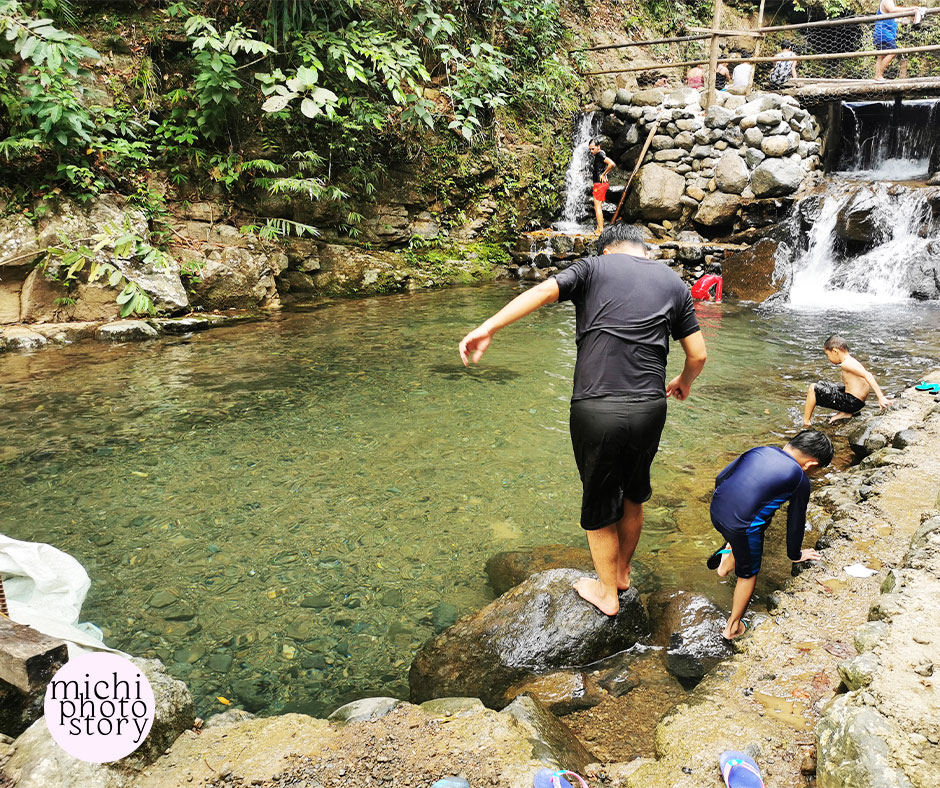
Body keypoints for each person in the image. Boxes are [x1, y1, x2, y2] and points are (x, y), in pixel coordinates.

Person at [458, 223, 707, 616]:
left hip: (597, 407)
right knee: (634, 493)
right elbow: (698, 355)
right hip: (649, 407)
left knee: (598, 500)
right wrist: (683, 382)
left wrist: (487, 327)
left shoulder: (592, 267)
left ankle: (608, 594)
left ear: (608, 251)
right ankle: (622, 574)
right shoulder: (673, 282)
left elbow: (542, 292)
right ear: (643, 250)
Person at [710, 430, 833, 639]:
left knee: (761, 516)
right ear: (811, 464)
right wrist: (795, 555)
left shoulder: (761, 450)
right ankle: (733, 628)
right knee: (748, 574)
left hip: (717, 509)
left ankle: (726, 560)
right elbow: (795, 521)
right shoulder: (800, 478)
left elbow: (721, 477)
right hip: (741, 527)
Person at [802, 335, 893, 426]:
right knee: (821, 384)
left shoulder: (846, 364)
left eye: (828, 355)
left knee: (813, 388)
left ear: (835, 351)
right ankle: (844, 413)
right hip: (855, 402)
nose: (828, 358)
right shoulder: (851, 360)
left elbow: (868, 375)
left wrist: (880, 397)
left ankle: (806, 422)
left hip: (852, 402)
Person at [874, 1, 925, 81]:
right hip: (884, 33)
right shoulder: (887, 1)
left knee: (881, 55)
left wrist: (900, 20)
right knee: (893, 52)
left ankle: (877, 76)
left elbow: (888, 16)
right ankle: (879, 75)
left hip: (881, 33)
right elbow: (892, 10)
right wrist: (911, 9)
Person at [588, 139, 616, 232]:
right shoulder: (599, 154)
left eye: (593, 149)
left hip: (599, 185)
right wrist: (605, 173)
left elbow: (611, 164)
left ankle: (600, 229)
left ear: (598, 147)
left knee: (598, 207)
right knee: (597, 206)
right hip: (600, 184)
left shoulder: (600, 154)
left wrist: (603, 174)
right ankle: (599, 228)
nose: (591, 151)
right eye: (590, 149)